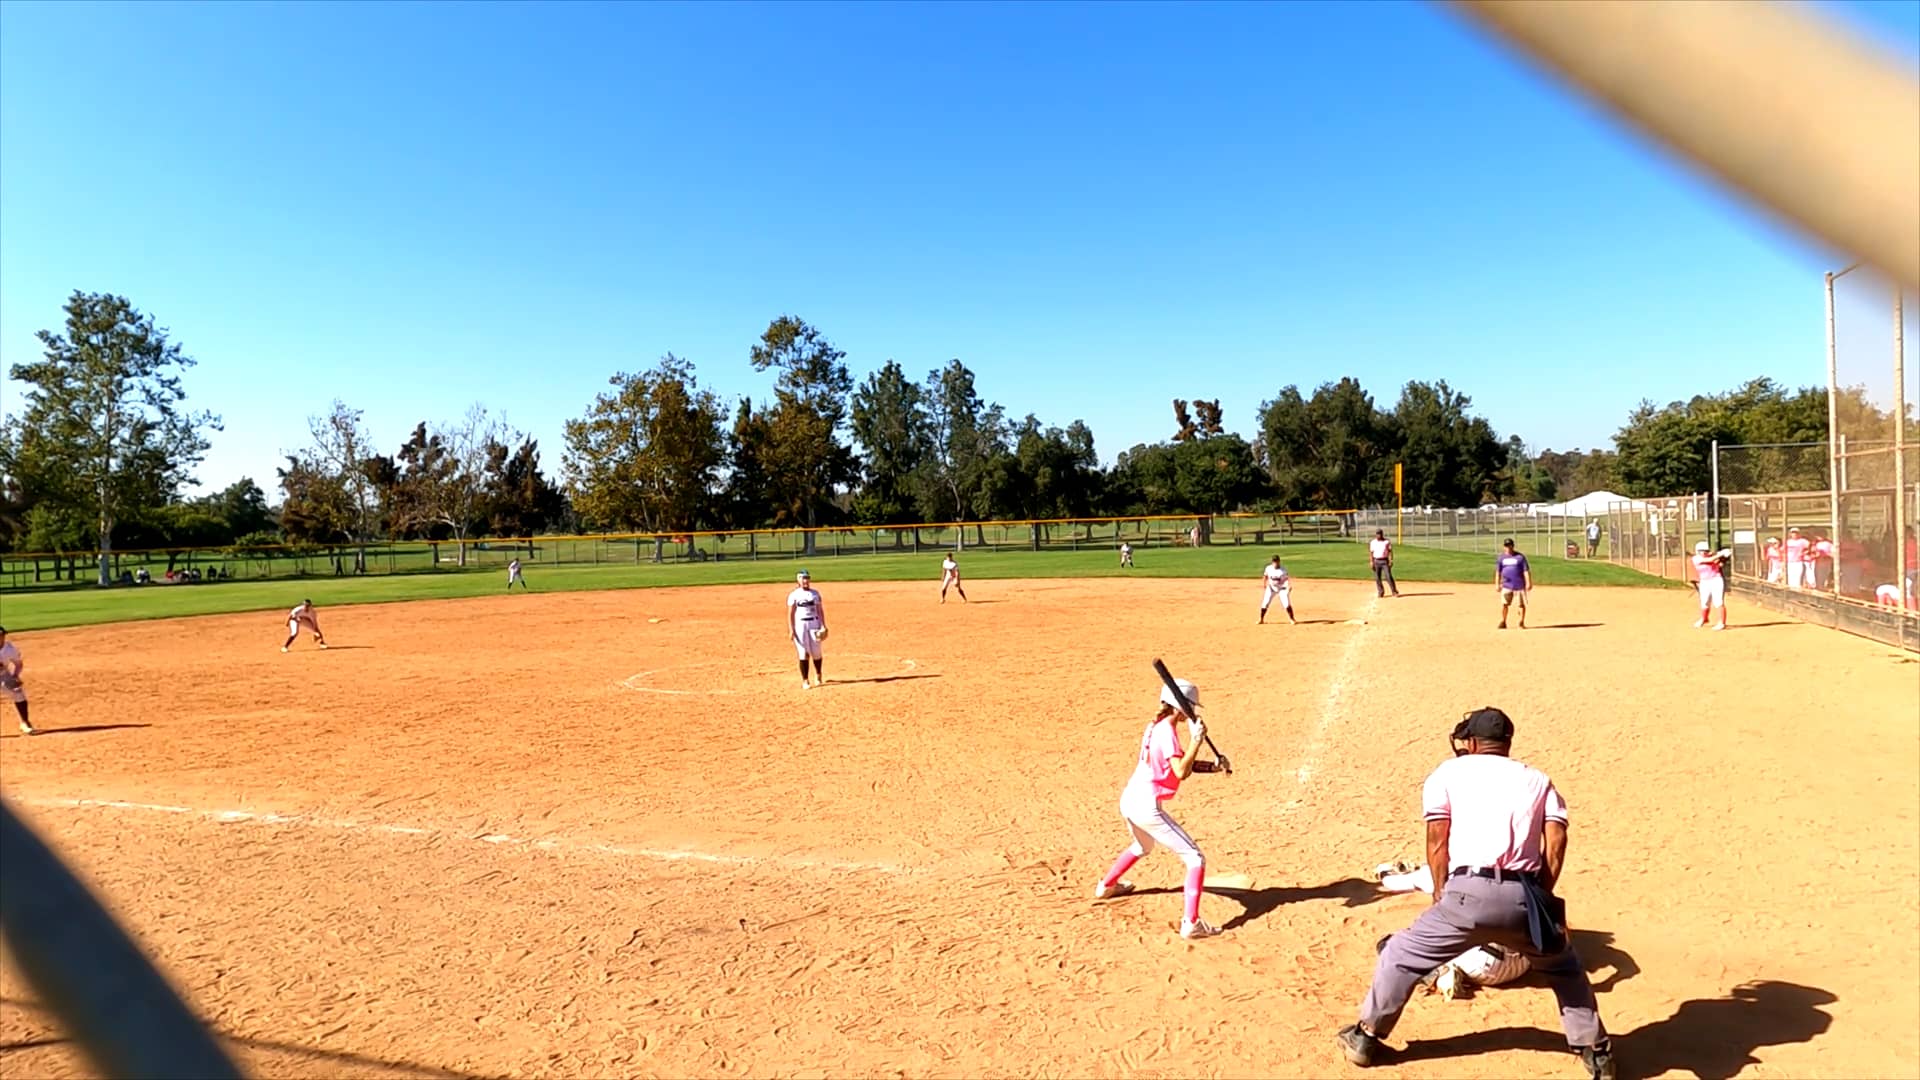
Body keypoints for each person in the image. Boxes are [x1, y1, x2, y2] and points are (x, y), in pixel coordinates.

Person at [1336, 707, 1614, 1079]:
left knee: (1400, 955)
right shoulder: (1538, 779)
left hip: (1466, 894)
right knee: (1565, 969)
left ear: (1470, 742)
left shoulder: (1448, 772)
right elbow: (1557, 842)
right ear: (1507, 744)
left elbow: (1438, 840)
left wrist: (1442, 893)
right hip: (1525, 898)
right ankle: (1597, 1053)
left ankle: (1365, 1038)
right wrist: (1540, 897)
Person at [1091, 676, 1223, 940]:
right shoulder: (1168, 733)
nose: (1194, 712)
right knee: (1195, 859)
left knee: (1142, 847)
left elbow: (1177, 764)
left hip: (1129, 799)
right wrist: (1197, 740)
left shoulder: (1156, 727)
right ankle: (1191, 923)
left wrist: (1212, 766)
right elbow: (1180, 771)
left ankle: (1106, 886)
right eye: (1192, 707)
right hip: (1146, 806)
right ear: (1182, 707)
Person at [787, 569, 827, 689]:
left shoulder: (815, 593)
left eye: (807, 578)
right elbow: (790, 613)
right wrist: (791, 629)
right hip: (800, 625)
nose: (805, 581)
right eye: (803, 578)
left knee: (816, 652)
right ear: (798, 580)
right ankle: (805, 680)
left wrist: (823, 625)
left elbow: (820, 610)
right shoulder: (794, 595)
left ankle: (818, 674)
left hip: (814, 624)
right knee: (803, 653)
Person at [0, 626, 33, 736]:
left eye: (2, 635)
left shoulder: (10, 649)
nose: (1, 638)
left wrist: (15, 675)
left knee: (17, 691)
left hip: (3, 675)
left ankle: (25, 722)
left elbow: (18, 664)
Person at [1689, 541, 1729, 630]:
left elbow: (1719, 564)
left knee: (1718, 602)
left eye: (1706, 550)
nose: (1705, 552)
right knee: (1705, 602)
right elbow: (1709, 561)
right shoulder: (1696, 558)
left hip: (1716, 580)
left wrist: (1724, 557)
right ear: (1697, 551)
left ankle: (1722, 622)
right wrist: (1720, 554)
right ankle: (1704, 619)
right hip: (1704, 582)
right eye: (1702, 551)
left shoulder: (1712, 556)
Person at [1495, 539, 1531, 630]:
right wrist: (1497, 584)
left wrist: (1528, 582)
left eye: (1510, 545)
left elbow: (1525, 571)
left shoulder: (1520, 557)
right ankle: (1503, 621)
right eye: (1506, 546)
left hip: (1519, 585)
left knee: (1521, 605)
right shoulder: (1501, 558)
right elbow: (1498, 572)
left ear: (1513, 546)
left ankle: (1521, 622)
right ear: (1504, 547)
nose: (1508, 548)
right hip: (1506, 585)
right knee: (1504, 604)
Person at [1259, 555, 1296, 625]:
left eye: (1276, 561)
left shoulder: (1283, 570)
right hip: (1271, 588)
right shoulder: (1268, 568)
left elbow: (1287, 578)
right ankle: (1261, 619)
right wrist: (1264, 583)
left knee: (1286, 603)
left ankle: (1292, 619)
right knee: (1265, 603)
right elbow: (1265, 576)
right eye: (1274, 561)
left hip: (1282, 589)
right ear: (1272, 562)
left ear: (1279, 562)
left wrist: (1289, 585)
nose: (1275, 563)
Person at [1368, 531, 1400, 598]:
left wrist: (1391, 560)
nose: (1378, 535)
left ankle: (1394, 591)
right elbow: (1371, 553)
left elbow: (1390, 551)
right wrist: (1371, 562)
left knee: (1388, 576)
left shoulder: (1386, 542)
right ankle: (1381, 592)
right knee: (1377, 578)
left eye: (1380, 534)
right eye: (1377, 534)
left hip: (1385, 561)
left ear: (1382, 534)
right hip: (1376, 561)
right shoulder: (1373, 542)